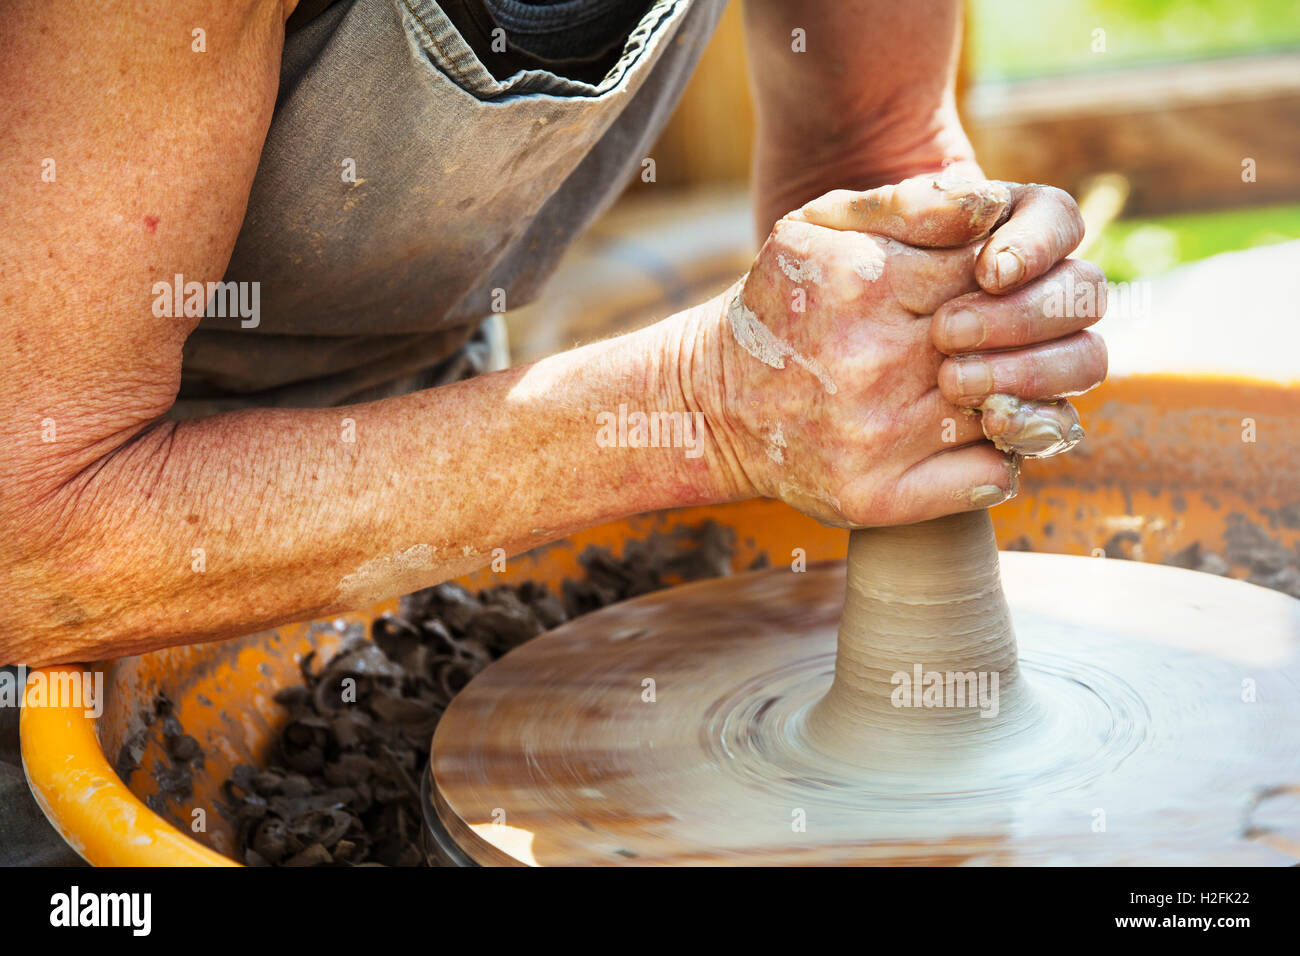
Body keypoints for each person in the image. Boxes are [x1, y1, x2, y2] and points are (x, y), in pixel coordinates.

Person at [0, 0, 1105, 863]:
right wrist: (705, 407)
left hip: (434, 428)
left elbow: (873, 143)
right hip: (78, 558)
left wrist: (950, 303)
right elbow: (30, 542)